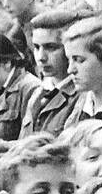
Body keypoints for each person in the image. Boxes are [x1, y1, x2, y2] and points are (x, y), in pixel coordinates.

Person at [21, 7, 87, 137]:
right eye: (36, 47)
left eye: (51, 47)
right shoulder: (37, 94)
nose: (41, 57)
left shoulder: (82, 96)